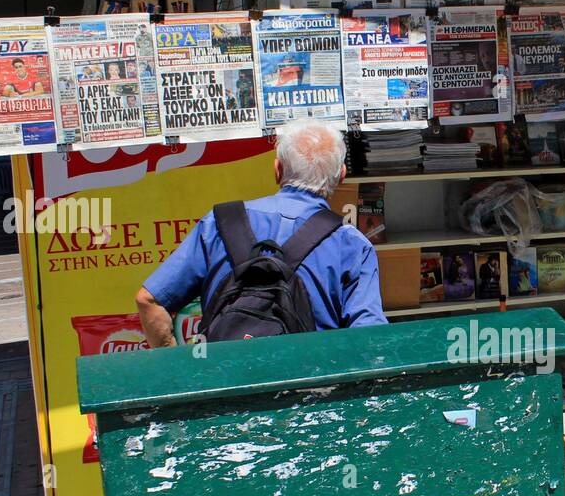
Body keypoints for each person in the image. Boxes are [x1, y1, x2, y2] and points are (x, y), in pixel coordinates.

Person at [135, 120, 386, 347]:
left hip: (225, 383)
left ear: (277, 170)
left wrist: (178, 364)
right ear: (341, 175)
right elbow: (369, 336)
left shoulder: (220, 223)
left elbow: (149, 300)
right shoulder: (351, 245)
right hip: (309, 386)